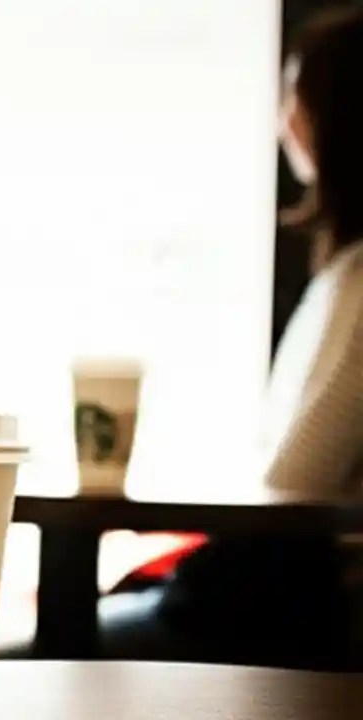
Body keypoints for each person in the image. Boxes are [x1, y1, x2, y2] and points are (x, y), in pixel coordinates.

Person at [93, 6, 363, 671]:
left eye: (293, 92)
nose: (282, 119)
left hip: (308, 610)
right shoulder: (340, 274)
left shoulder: (357, 280)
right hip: (292, 593)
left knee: (53, 651)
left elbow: (299, 479)